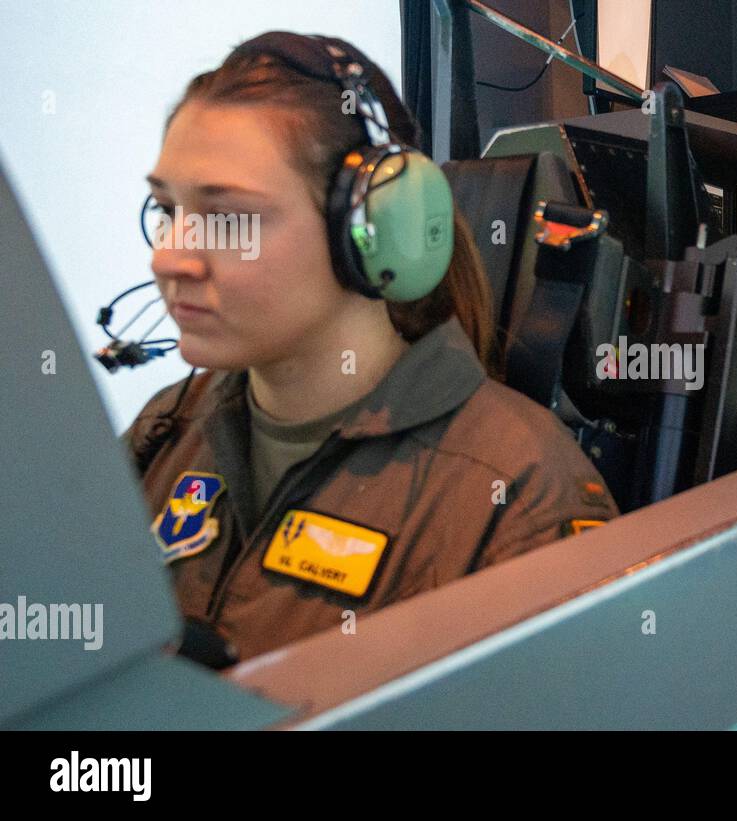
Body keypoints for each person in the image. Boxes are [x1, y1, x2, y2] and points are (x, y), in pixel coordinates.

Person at [122, 31, 618, 666]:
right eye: (165, 208)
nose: (168, 256)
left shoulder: (519, 500)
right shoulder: (166, 430)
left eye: (229, 219)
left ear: (378, 231)